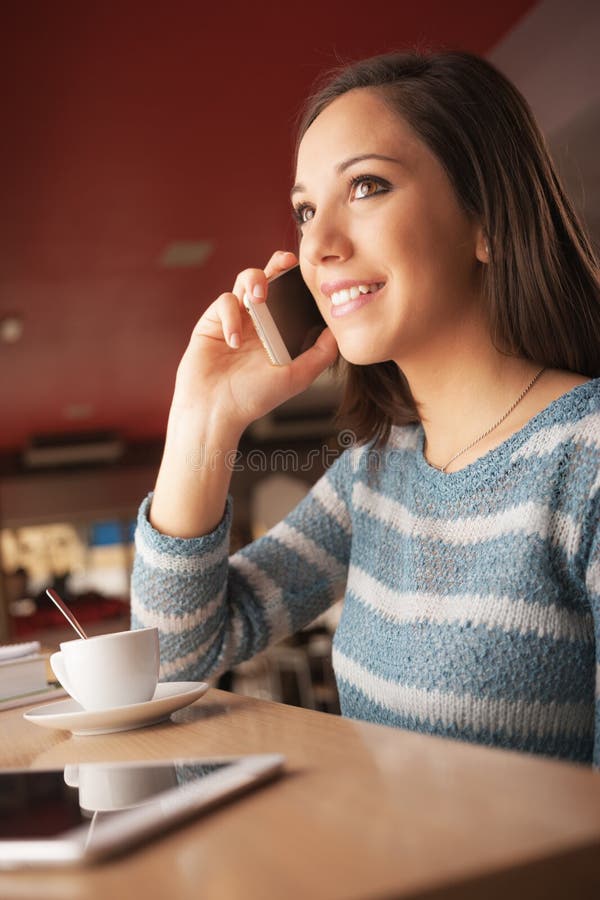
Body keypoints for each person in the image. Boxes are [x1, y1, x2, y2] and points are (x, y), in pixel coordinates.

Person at [131, 50, 600, 765]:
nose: (317, 246)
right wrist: (205, 415)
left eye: (368, 186)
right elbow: (172, 660)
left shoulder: (587, 459)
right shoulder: (376, 474)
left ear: (487, 221)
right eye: (304, 210)